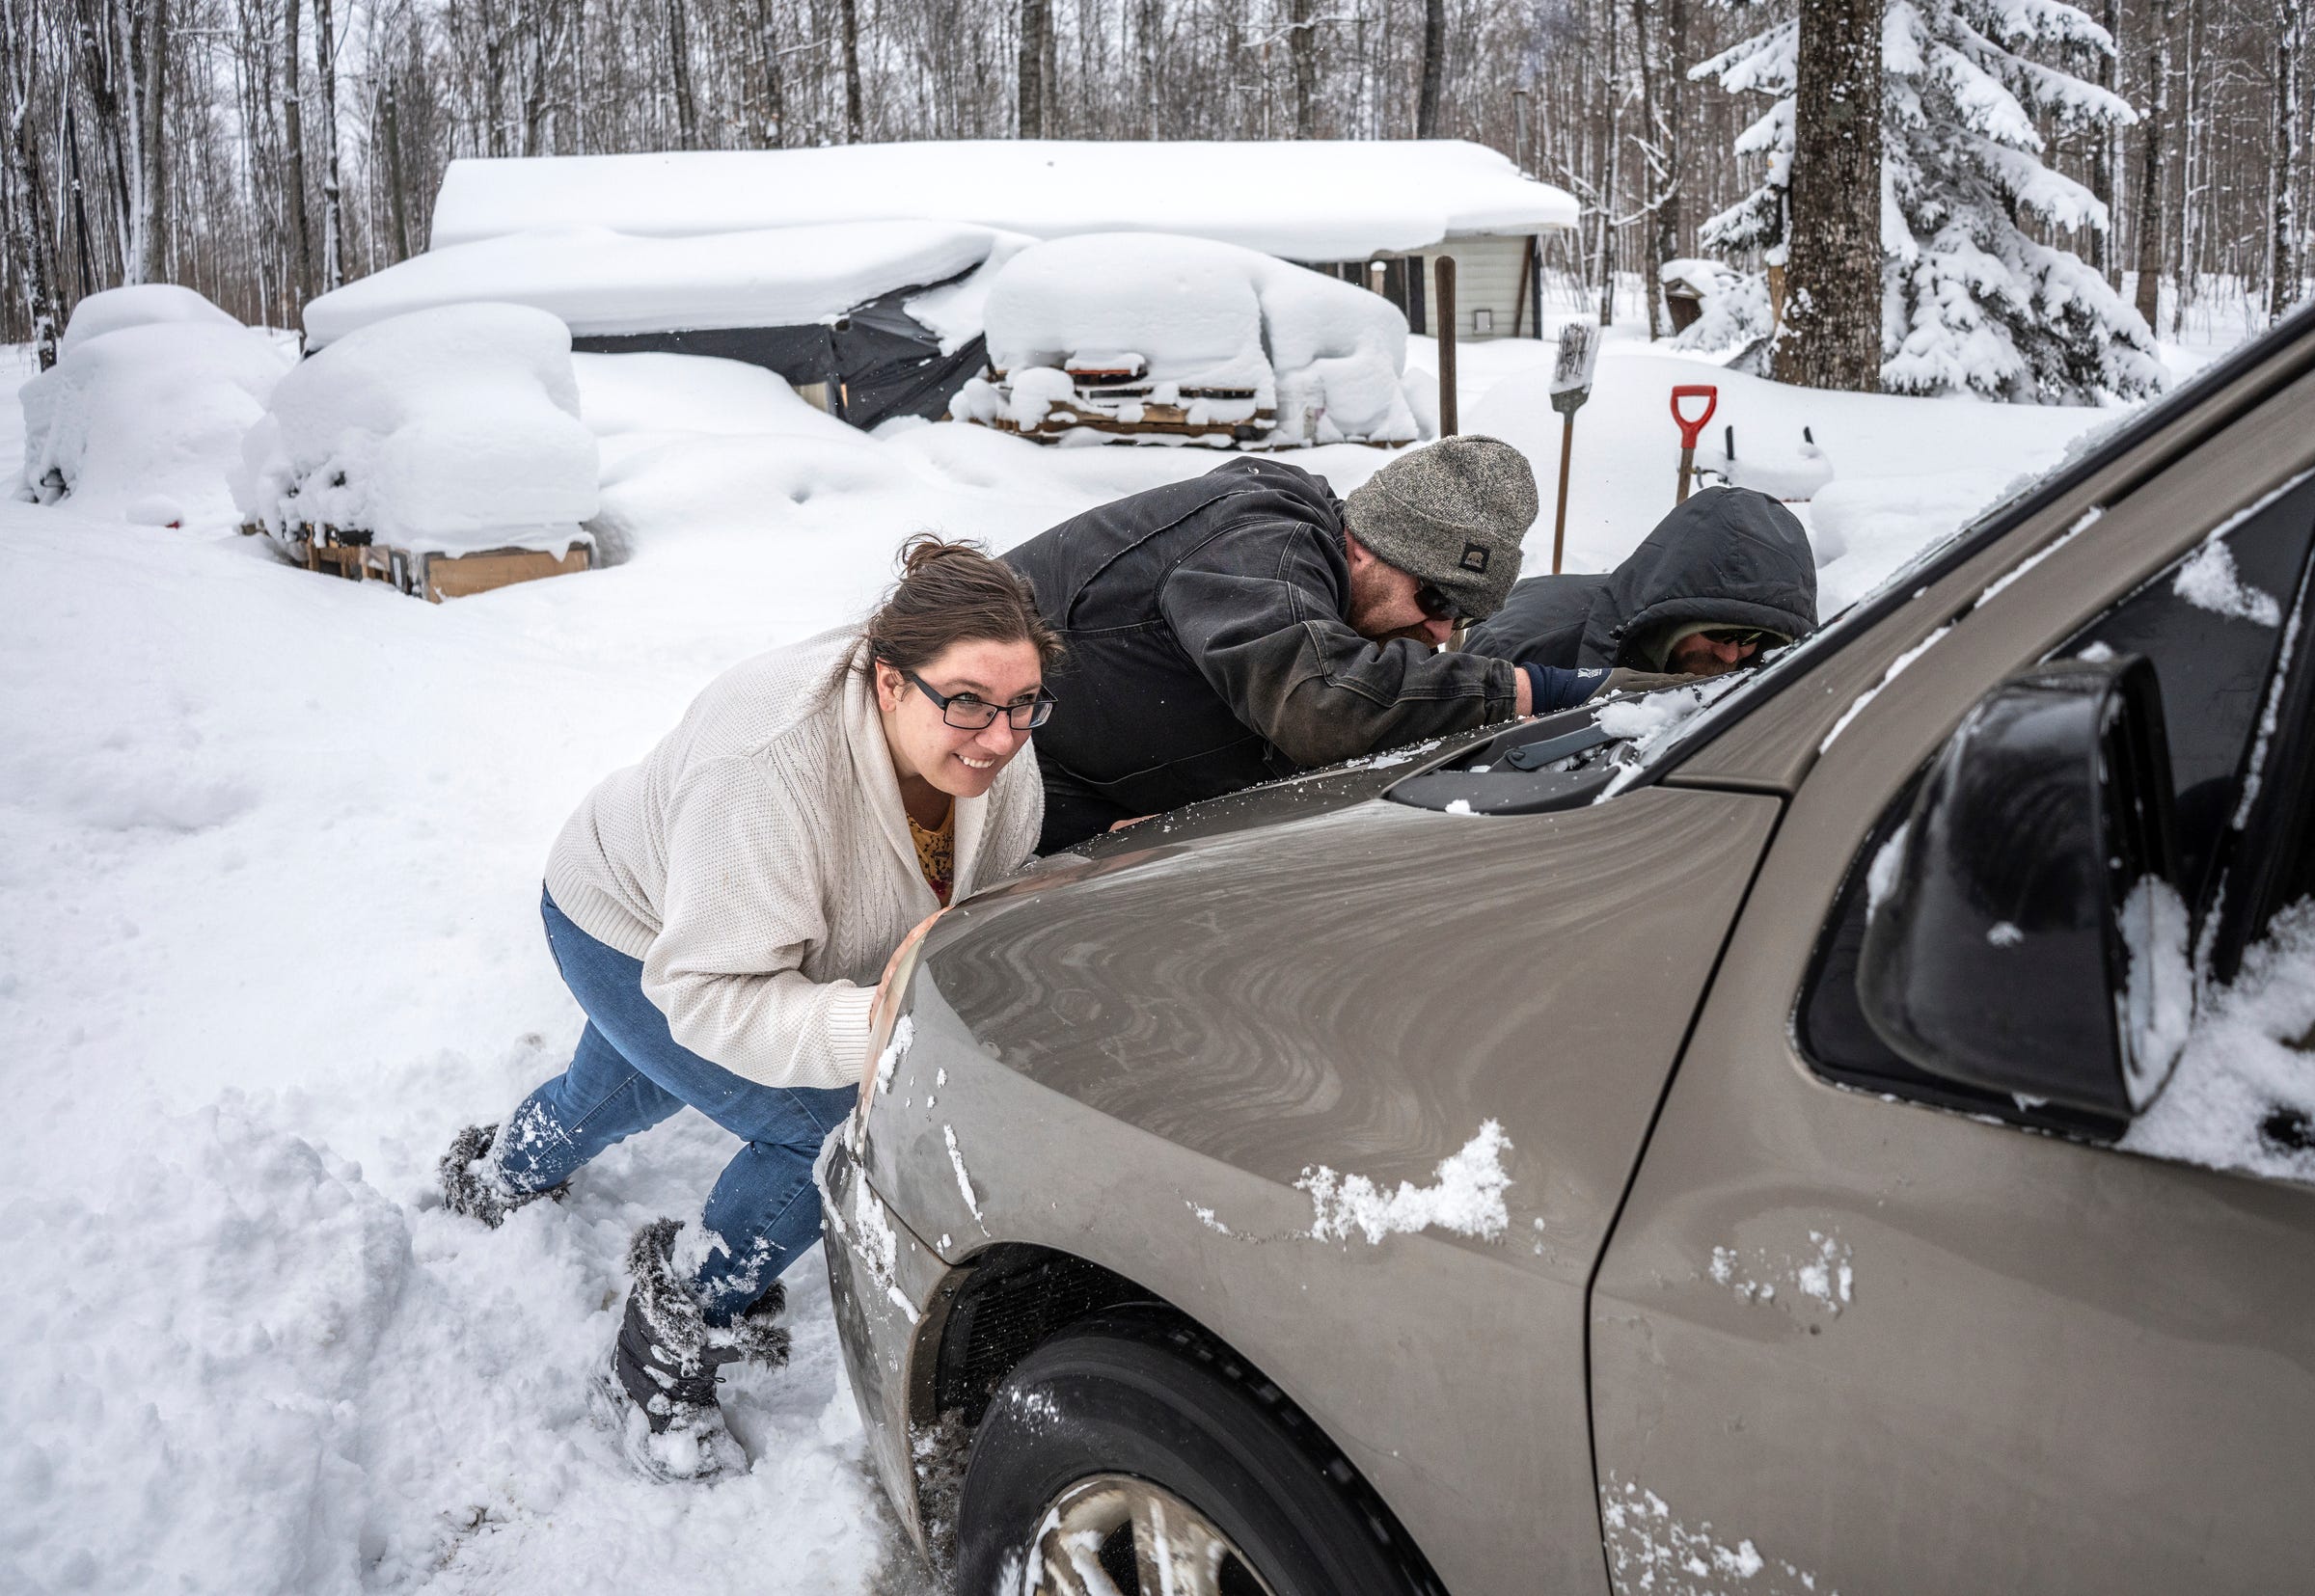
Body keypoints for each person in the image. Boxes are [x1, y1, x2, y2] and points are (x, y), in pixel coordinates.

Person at [437, 536, 1059, 1479]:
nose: (1002, 736)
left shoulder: (988, 742)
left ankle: (496, 1171)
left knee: (619, 1089)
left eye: (1023, 705)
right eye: (969, 702)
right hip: (629, 929)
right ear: (887, 681)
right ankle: (658, 1352)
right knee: (821, 1137)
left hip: (733, 934)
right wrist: (873, 1027)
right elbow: (707, 992)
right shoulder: (767, 762)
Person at [1005, 437, 1615, 852]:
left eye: (1463, 618)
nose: (1440, 633)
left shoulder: (1317, 597)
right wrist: (1533, 690)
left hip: (1045, 815)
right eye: (1440, 602)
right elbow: (1322, 704)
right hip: (938, 798)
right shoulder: (1257, 536)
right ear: (1366, 547)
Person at [1463, 485, 1819, 677]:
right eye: (1718, 634)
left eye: (1750, 639)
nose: (1730, 655)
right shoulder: (1519, 649)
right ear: (1672, 619)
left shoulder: (1753, 665)